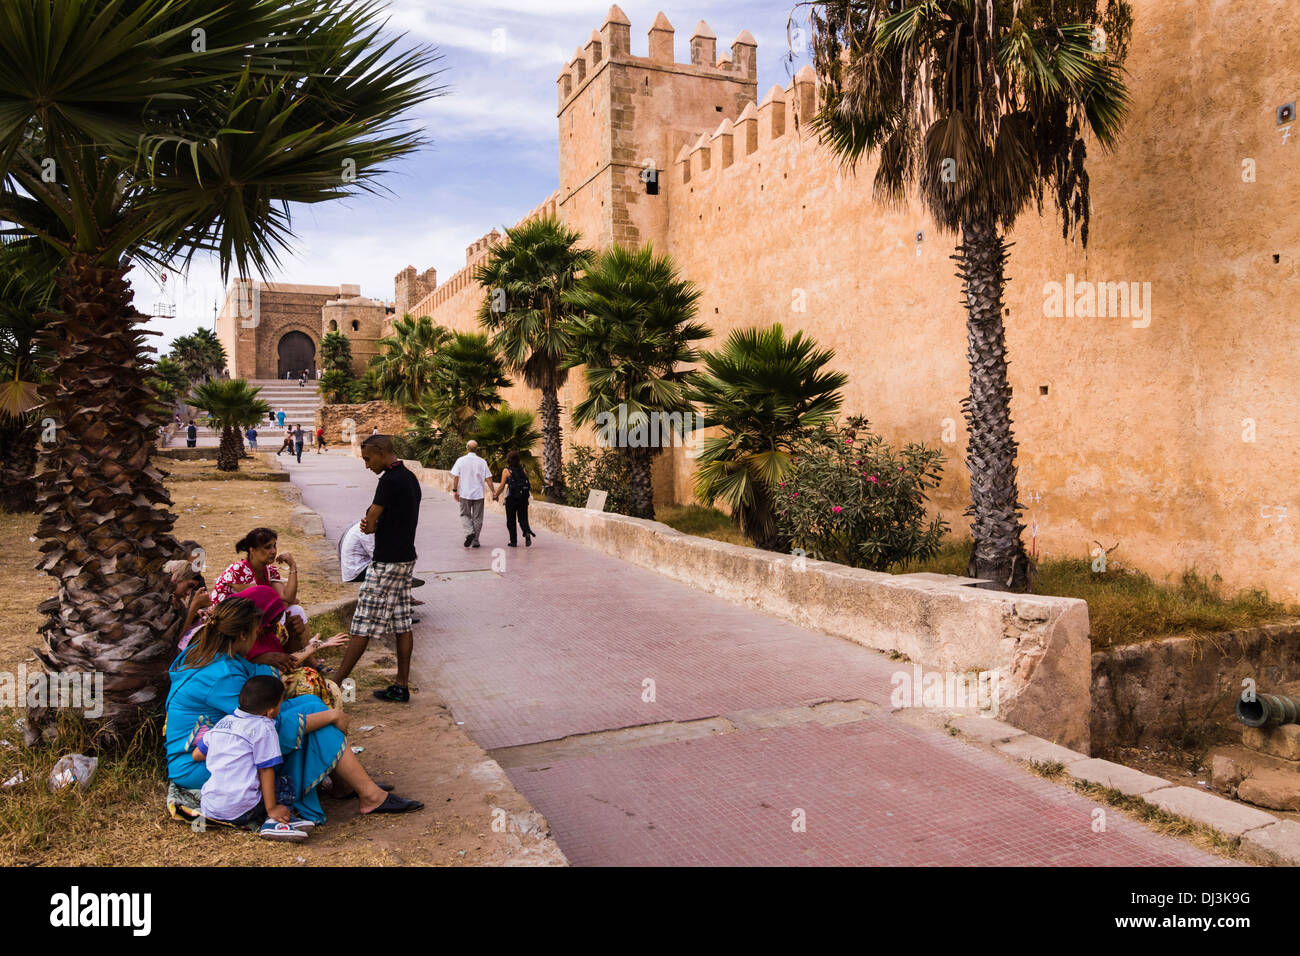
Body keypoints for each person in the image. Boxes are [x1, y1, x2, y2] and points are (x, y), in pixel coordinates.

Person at [166, 598, 423, 823]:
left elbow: (260, 694)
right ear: (243, 635)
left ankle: (346, 785)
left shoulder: (213, 654)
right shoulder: (220, 676)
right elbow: (261, 726)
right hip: (198, 765)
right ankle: (370, 796)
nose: (259, 637)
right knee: (319, 723)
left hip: (222, 746)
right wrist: (332, 715)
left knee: (311, 704)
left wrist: (267, 661)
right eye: (257, 631)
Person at [333, 435, 420, 702]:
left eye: (368, 459)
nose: (367, 465)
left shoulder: (388, 482)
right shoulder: (409, 477)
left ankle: (335, 685)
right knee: (402, 622)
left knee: (362, 624)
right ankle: (401, 685)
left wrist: (371, 523)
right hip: (406, 558)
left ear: (382, 453)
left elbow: (369, 522)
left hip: (386, 562)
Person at [192, 675, 314, 840]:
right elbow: (265, 770)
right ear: (271, 711)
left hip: (211, 808)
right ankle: (274, 821)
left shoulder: (224, 722)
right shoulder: (264, 727)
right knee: (284, 782)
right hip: (241, 810)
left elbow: (197, 755)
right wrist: (271, 808)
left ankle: (275, 817)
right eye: (280, 703)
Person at [210, 527, 301, 610]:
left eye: (274, 546)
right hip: (225, 620)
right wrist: (285, 603)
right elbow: (259, 604)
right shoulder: (239, 571)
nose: (274, 551)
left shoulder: (270, 571)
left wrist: (292, 566)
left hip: (250, 616)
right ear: (252, 550)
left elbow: (288, 597)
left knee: (296, 610)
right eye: (267, 547)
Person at [451, 440, 495, 548]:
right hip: (478, 494)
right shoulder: (482, 462)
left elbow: (456, 476)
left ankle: (469, 532)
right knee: (478, 518)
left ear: (467, 448)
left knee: (464, 514)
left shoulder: (460, 460)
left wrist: (455, 490)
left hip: (465, 493)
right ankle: (475, 541)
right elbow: (488, 478)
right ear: (476, 449)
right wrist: (494, 491)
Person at [493, 450, 535, 548]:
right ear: (518, 460)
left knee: (511, 520)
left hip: (511, 498)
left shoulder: (506, 471)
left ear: (508, 460)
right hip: (523, 499)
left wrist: (496, 495)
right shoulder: (523, 470)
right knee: (522, 518)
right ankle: (526, 532)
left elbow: (502, 485)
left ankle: (513, 541)